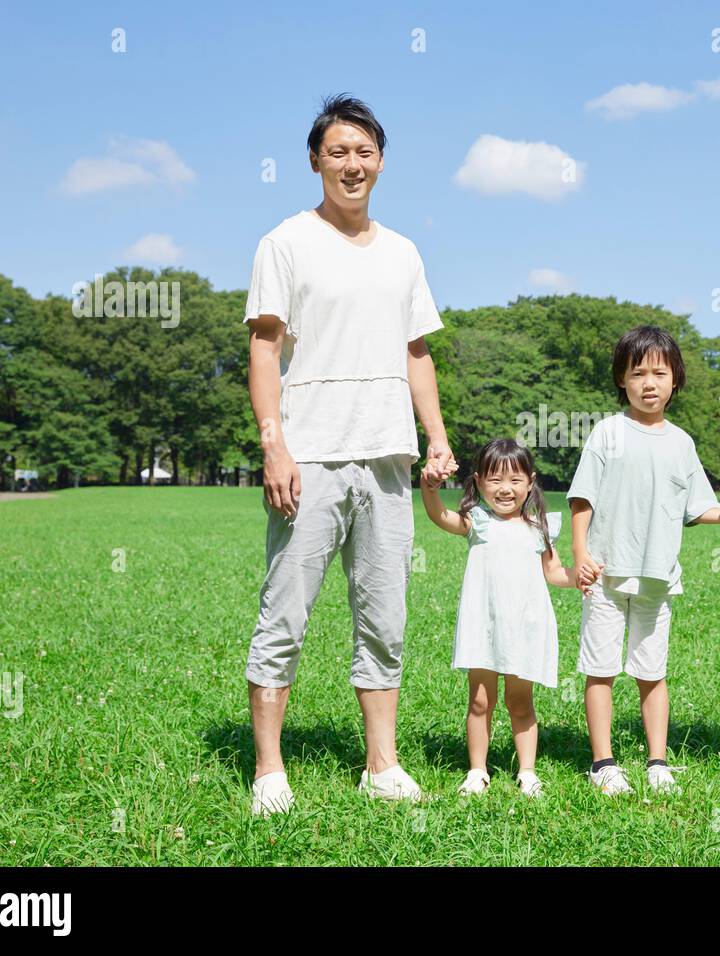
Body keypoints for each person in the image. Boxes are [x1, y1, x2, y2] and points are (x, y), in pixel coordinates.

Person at [243, 94, 457, 815]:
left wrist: (437, 436)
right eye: (338, 152)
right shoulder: (286, 242)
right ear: (315, 161)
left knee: (385, 618)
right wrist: (275, 446)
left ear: (381, 161)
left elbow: (416, 350)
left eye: (364, 152)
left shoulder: (403, 252)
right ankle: (269, 770)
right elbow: (264, 348)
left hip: (389, 459)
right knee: (286, 613)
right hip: (312, 456)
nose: (352, 164)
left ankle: (382, 764)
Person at [568, 326, 720, 796]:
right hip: (605, 574)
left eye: (659, 373)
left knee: (652, 671)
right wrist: (581, 555)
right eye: (637, 372)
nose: (649, 382)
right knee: (600, 668)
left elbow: (700, 508)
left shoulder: (682, 443)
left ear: (675, 381)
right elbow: (581, 499)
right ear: (621, 381)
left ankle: (657, 761)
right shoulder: (607, 432)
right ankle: (603, 763)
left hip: (658, 578)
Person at [421, 439, 576, 798]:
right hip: (483, 626)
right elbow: (440, 516)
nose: (505, 489)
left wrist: (580, 577)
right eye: (495, 480)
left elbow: (554, 572)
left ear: (530, 481)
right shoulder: (477, 521)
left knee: (520, 702)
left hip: (524, 626)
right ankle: (477, 771)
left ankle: (527, 771)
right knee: (479, 701)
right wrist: (430, 489)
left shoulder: (539, 527)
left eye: (515, 480)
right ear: (478, 481)